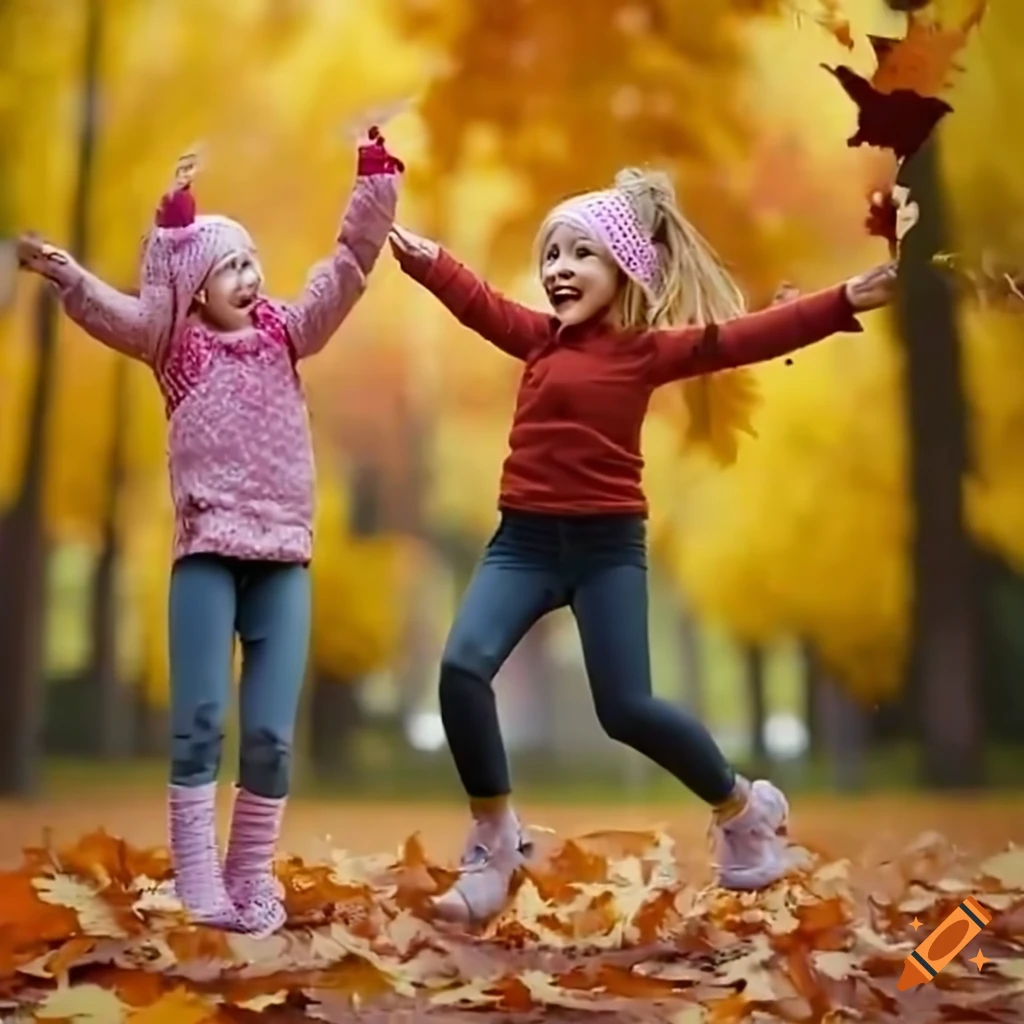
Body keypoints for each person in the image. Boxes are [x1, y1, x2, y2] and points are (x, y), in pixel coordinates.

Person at [388, 167, 896, 925]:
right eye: (550, 252)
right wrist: (430, 261)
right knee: (462, 668)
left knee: (624, 707)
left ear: (622, 268)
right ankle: (496, 841)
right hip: (522, 542)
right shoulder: (537, 339)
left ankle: (743, 809)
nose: (558, 267)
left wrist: (842, 300)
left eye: (579, 253)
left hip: (605, 549)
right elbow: (480, 305)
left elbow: (743, 338)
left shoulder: (646, 351)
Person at [16, 128, 404, 936]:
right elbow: (125, 311)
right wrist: (117, 251)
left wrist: (373, 184)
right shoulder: (175, 349)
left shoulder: (285, 334)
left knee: (268, 732)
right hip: (207, 556)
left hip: (284, 558)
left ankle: (248, 877)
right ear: (195, 289)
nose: (249, 275)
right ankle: (198, 876)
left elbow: (347, 270)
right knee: (199, 720)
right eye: (229, 265)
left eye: (250, 260)